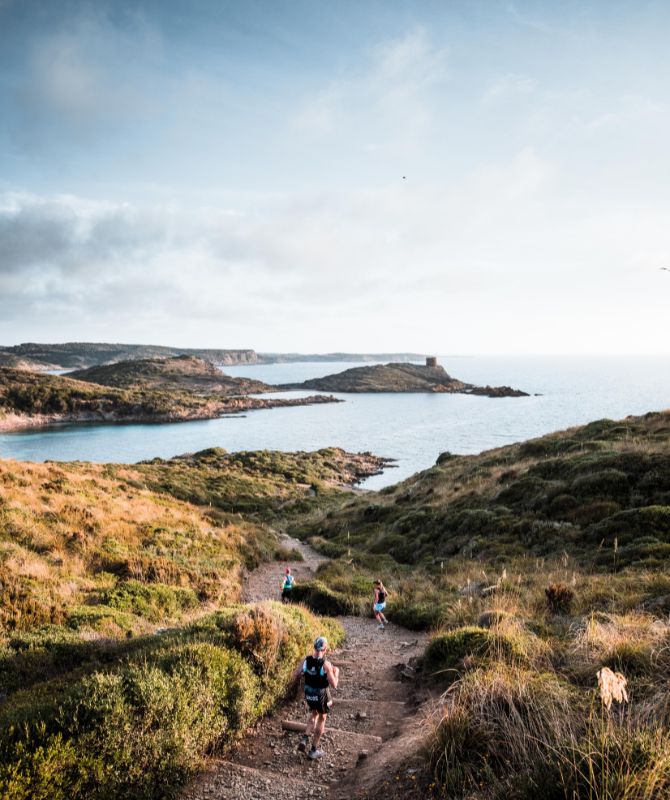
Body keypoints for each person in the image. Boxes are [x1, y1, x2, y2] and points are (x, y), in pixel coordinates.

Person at [296, 636, 339, 760]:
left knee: (314, 712)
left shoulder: (305, 660)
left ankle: (305, 738)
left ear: (314, 646)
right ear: (325, 649)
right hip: (321, 694)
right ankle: (314, 750)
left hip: (308, 693)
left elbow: (296, 674)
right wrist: (336, 672)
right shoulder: (326, 664)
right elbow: (335, 685)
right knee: (322, 717)